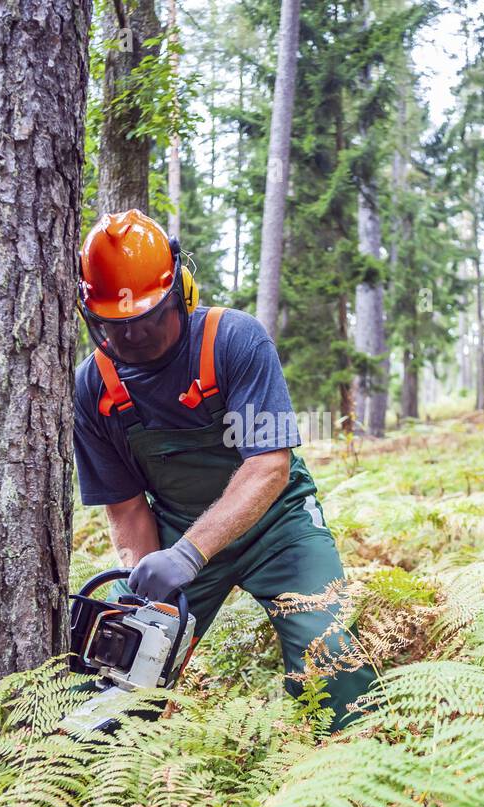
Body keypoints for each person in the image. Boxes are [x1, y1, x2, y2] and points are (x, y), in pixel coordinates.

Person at [72, 209, 373, 731]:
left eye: (148, 319)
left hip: (279, 527)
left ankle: (355, 762)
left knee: (331, 651)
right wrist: (150, 588)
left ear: (179, 293)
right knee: (118, 667)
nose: (137, 337)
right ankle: (104, 784)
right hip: (174, 533)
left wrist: (190, 555)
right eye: (120, 328)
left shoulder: (232, 341)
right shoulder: (94, 386)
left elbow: (268, 467)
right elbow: (124, 505)